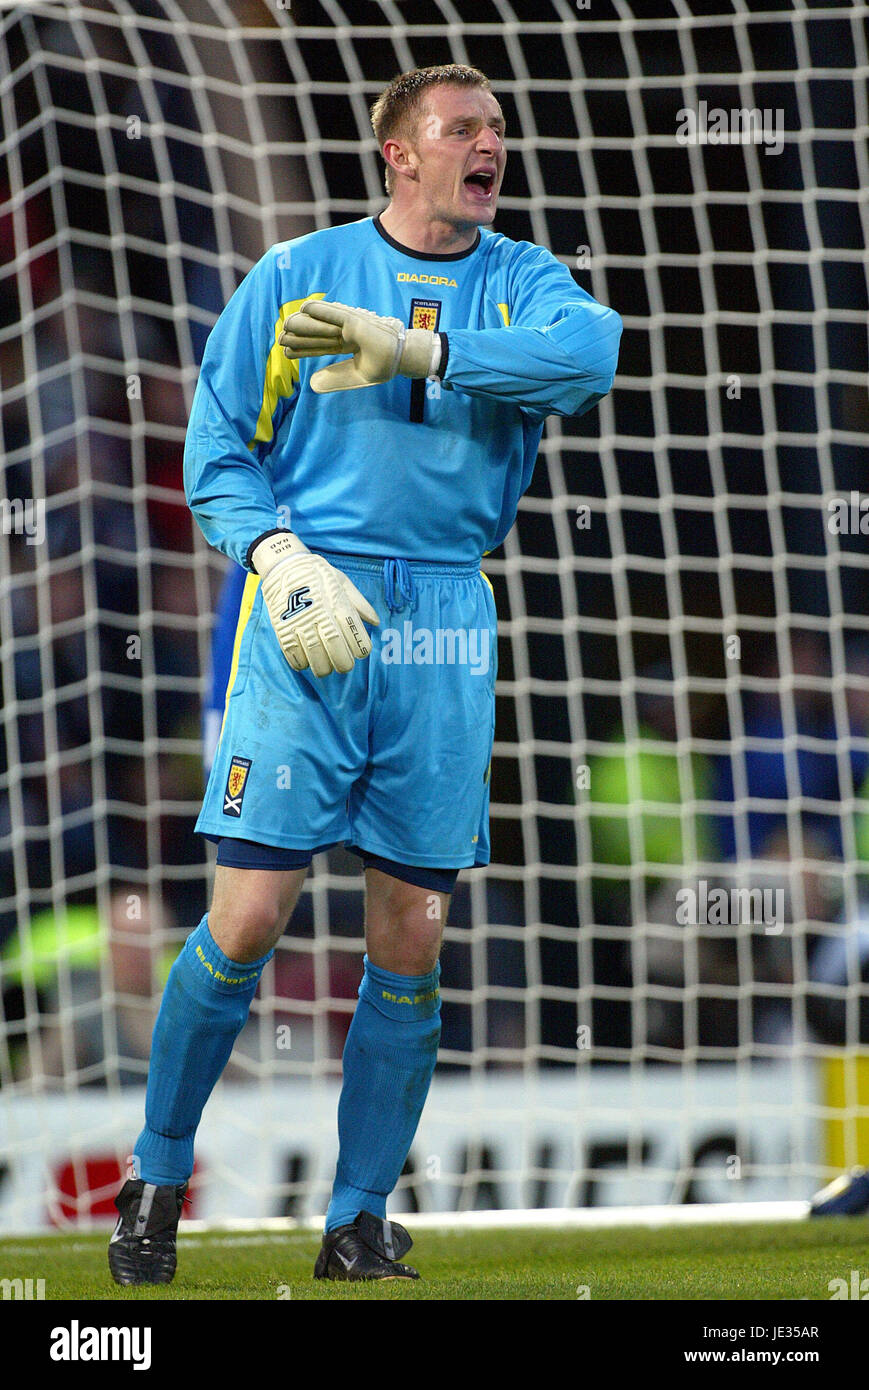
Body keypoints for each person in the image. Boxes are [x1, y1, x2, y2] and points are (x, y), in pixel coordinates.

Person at [108, 62, 621, 1285]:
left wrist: (415, 347)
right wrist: (273, 554)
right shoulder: (292, 276)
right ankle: (155, 1176)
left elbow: (587, 357)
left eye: (495, 129)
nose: (487, 144)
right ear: (397, 152)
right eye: (460, 129)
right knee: (246, 915)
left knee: (411, 933)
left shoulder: (519, 279)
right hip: (308, 606)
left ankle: (354, 1215)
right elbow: (216, 448)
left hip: (443, 619)